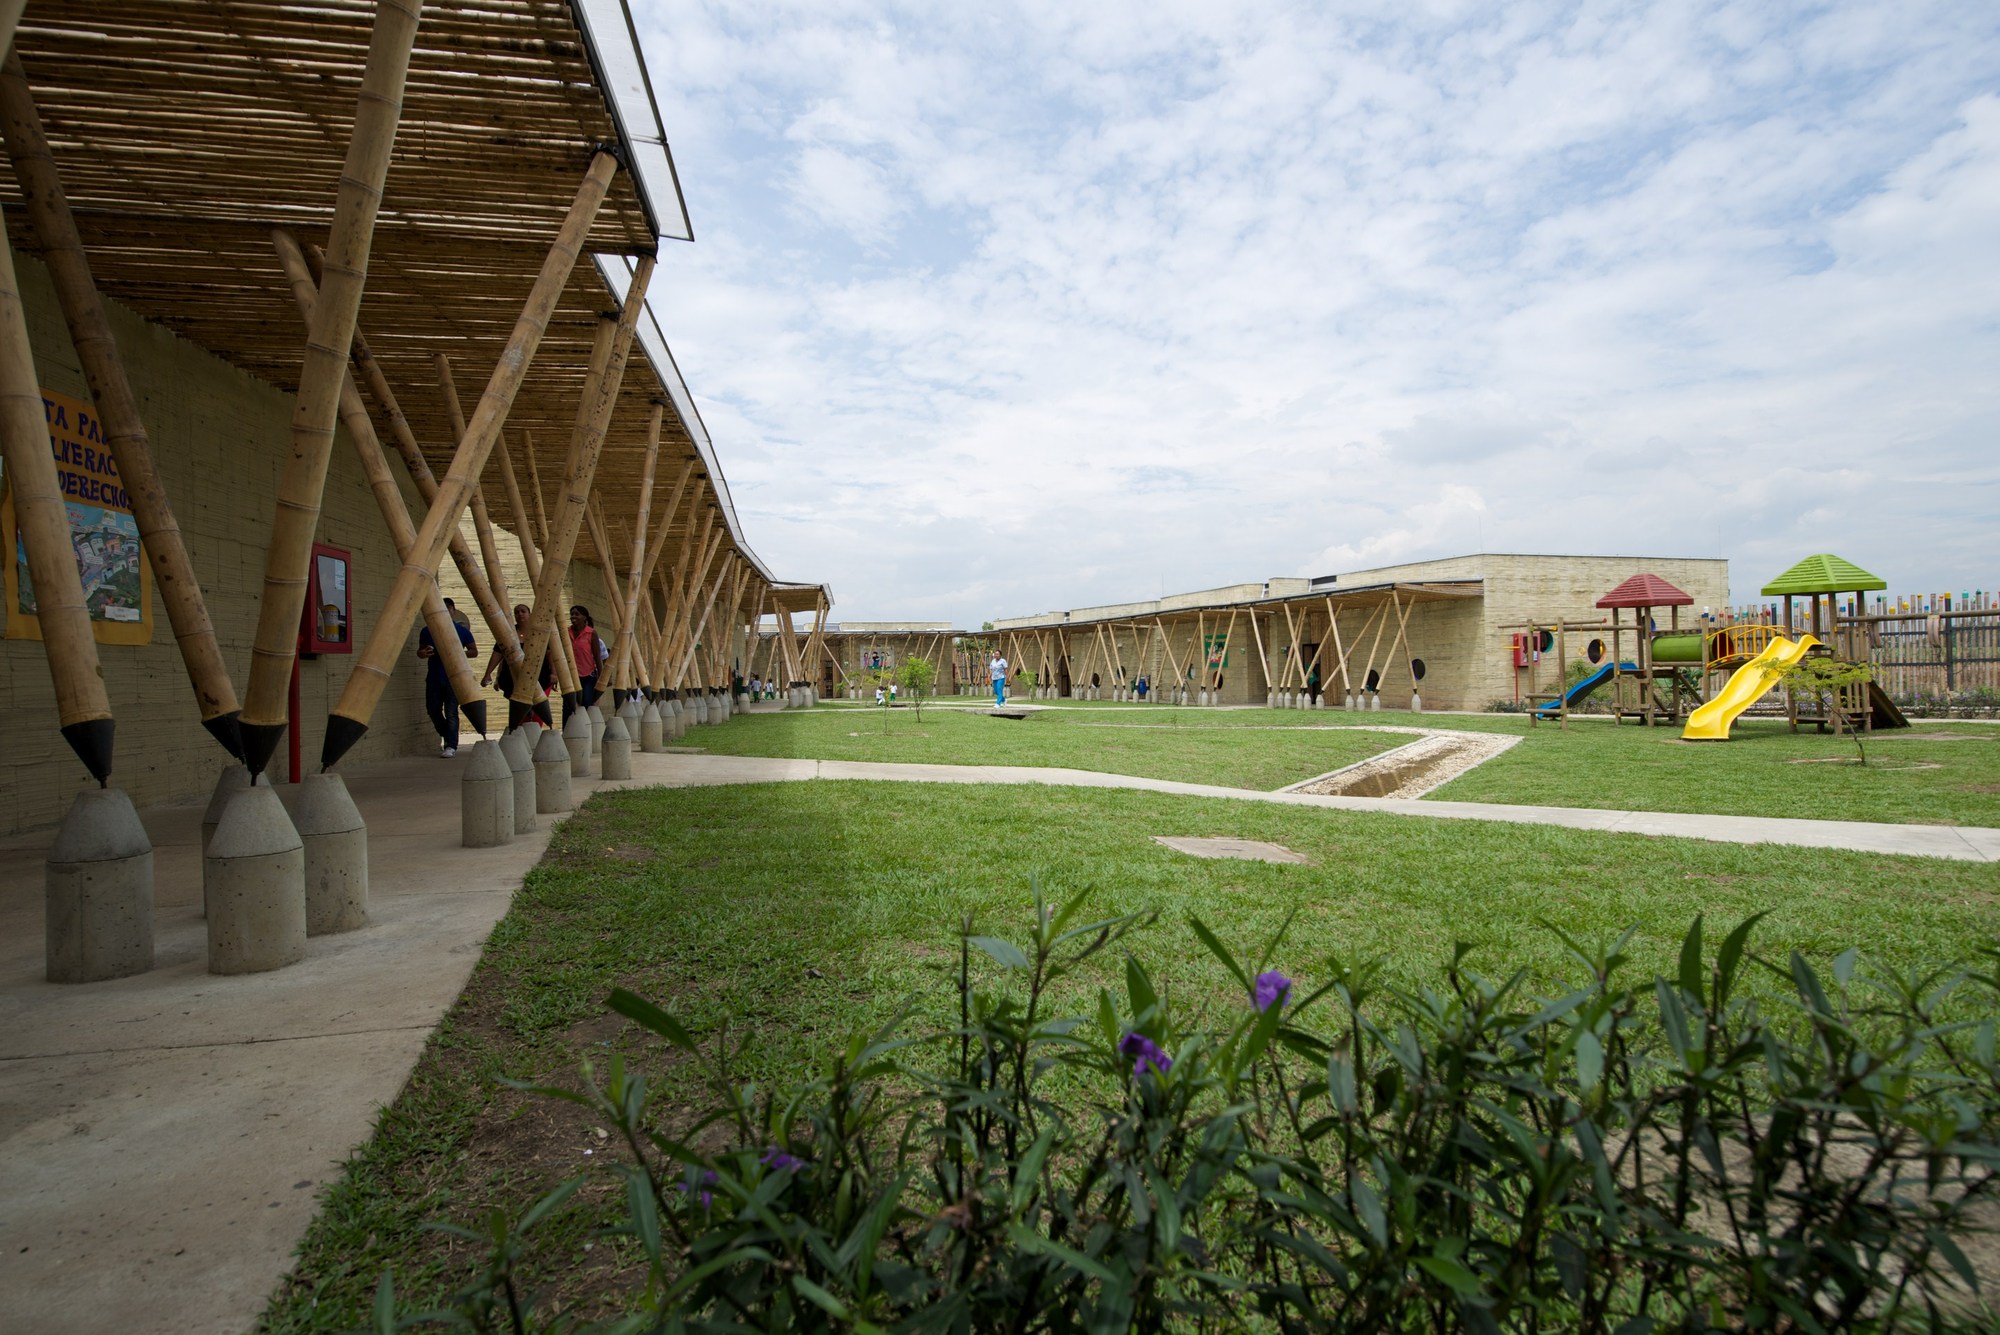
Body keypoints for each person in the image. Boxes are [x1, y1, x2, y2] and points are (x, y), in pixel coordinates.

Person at [417, 597, 477, 757]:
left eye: (447, 609)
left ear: (453, 611)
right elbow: (420, 651)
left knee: (451, 712)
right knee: (433, 710)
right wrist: (423, 653)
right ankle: (447, 734)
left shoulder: (462, 631)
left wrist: (458, 653)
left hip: (454, 678)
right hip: (434, 677)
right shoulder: (427, 631)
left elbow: (473, 651)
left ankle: (451, 745)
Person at [483, 603, 555, 726]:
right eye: (517, 612)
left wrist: (554, 673)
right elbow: (499, 654)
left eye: (523, 611)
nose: (520, 614)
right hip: (513, 677)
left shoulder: (538, 632)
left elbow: (549, 654)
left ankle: (535, 731)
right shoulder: (508, 633)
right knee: (519, 708)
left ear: (529, 614)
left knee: (537, 707)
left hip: (539, 675)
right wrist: (488, 674)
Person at [569, 605, 608, 707]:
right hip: (571, 674)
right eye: (572, 614)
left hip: (588, 675)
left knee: (586, 701)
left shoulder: (591, 633)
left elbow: (597, 656)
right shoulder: (566, 632)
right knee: (569, 704)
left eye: (577, 614)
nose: (573, 616)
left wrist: (601, 676)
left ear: (584, 617)